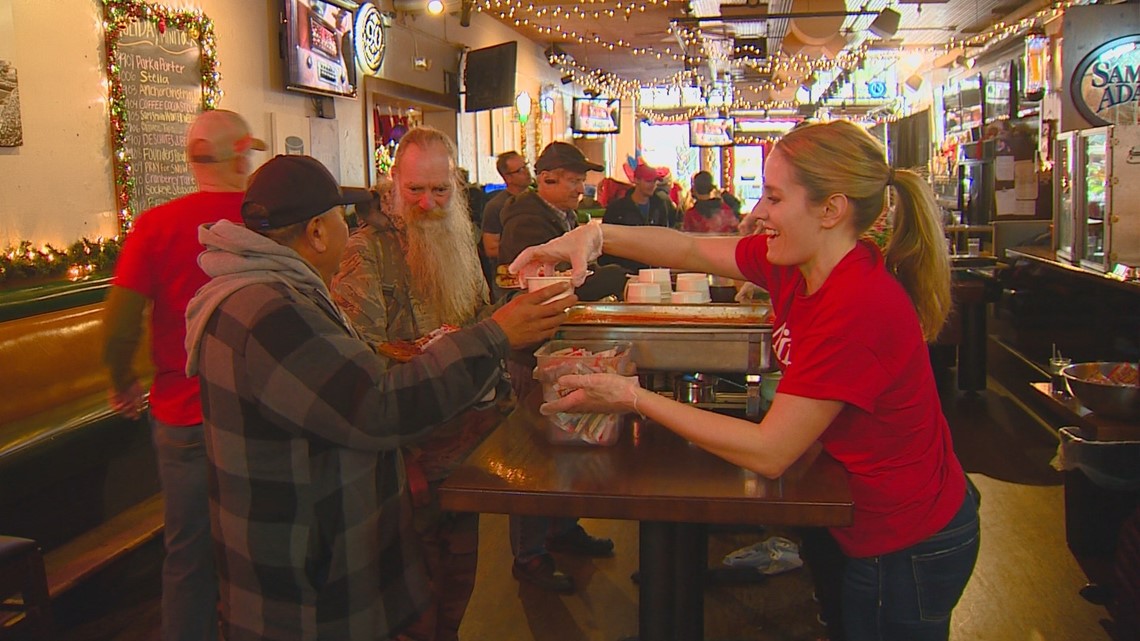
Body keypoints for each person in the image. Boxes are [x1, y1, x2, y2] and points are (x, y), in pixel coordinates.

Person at [510, 119, 979, 641]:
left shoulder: (856, 303)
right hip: (860, 513)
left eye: (774, 198)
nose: (757, 213)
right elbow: (686, 250)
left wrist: (631, 395)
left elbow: (769, 450)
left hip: (906, 536)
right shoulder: (799, 264)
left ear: (831, 209)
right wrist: (594, 234)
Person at [184, 154, 576, 641]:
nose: (348, 230)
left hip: (311, 554)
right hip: (302, 583)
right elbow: (377, 405)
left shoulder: (269, 293)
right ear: (318, 233)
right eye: (339, 220)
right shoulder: (269, 311)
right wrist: (494, 335)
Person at [330, 127, 504, 641]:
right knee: (409, 604)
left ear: (456, 186)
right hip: (407, 457)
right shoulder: (366, 253)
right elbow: (358, 367)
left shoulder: (461, 240)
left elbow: (475, 323)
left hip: (465, 448)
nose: (428, 202)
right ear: (392, 187)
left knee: (456, 586)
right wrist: (402, 455)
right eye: (415, 190)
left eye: (440, 190)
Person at [102, 109, 266, 641]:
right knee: (264, 548)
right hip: (258, 412)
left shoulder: (154, 225)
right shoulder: (265, 218)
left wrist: (122, 379)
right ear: (240, 154)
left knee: (188, 553)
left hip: (181, 416)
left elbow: (119, 323)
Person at [497, 141, 624, 594]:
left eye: (581, 179)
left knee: (566, 439)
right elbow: (532, 288)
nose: (580, 187)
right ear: (545, 179)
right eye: (571, 179)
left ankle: (561, 527)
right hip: (529, 353)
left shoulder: (563, 217)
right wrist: (598, 282)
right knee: (533, 454)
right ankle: (529, 555)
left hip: (553, 346)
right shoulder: (527, 219)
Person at [481, 151, 532, 301]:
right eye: (520, 170)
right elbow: (490, 248)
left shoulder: (537, 201)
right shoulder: (496, 206)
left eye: (526, 166)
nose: (527, 173)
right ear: (507, 177)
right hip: (509, 282)